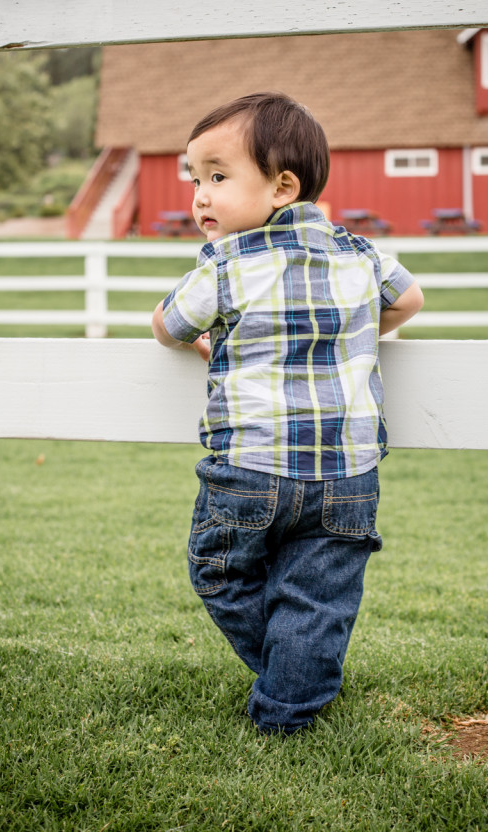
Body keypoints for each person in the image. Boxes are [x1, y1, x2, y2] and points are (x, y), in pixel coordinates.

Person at [152, 92, 424, 734]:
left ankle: (290, 678)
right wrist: (352, 329)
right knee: (318, 596)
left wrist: (199, 340)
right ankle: (293, 699)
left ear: (282, 186)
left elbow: (167, 326)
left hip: (249, 467)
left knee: (218, 570)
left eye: (217, 177)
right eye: (194, 179)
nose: (199, 196)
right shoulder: (360, 254)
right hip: (348, 475)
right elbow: (409, 300)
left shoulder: (225, 265)